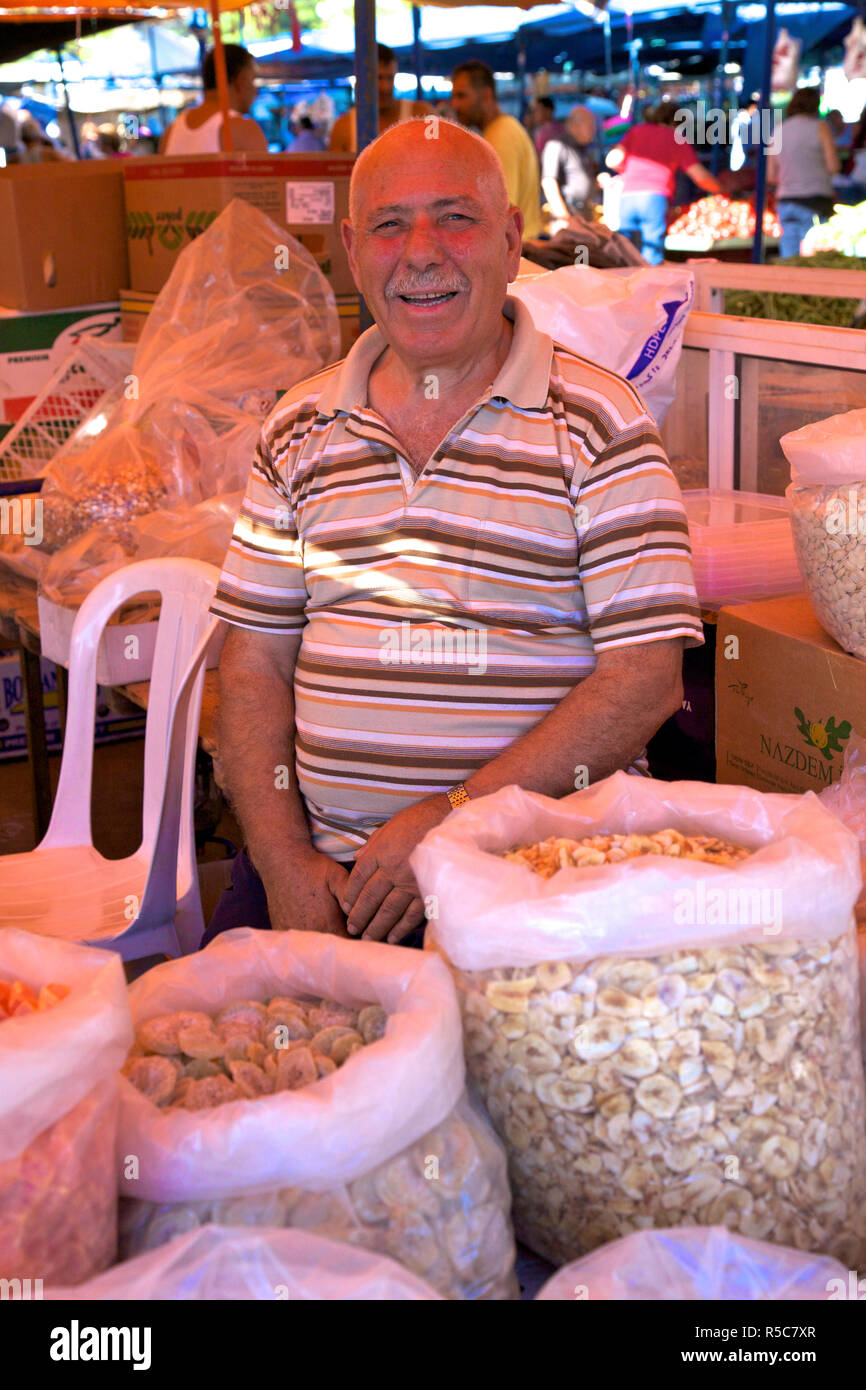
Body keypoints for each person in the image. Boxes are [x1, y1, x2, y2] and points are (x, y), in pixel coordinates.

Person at [203, 116, 703, 948]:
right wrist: (286, 863)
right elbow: (252, 661)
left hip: (539, 883)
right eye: (391, 225)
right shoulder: (296, 428)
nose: (422, 251)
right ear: (354, 250)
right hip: (326, 879)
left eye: (455, 218)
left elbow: (646, 678)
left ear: (511, 242)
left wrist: (454, 819)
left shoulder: (599, 425)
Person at [449, 60, 580, 268]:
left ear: (486, 95)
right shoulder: (503, 129)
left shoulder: (501, 135)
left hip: (517, 258)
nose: (454, 105)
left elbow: (499, 211)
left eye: (461, 96)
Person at [606, 100, 721, 265]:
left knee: (624, 249)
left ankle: (623, 286)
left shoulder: (636, 131)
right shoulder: (675, 138)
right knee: (651, 252)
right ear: (675, 122)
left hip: (627, 197)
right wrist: (719, 187)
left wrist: (628, 169)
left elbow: (612, 160)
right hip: (654, 198)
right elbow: (700, 176)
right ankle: (647, 288)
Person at [768, 87, 839, 258]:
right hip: (815, 201)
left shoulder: (778, 131)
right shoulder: (820, 128)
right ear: (816, 105)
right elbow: (833, 167)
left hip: (786, 202)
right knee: (816, 259)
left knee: (790, 260)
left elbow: (770, 176)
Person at [160, 43, 267, 155]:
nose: (256, 90)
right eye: (253, 80)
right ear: (240, 81)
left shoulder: (171, 132)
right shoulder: (244, 130)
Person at [329, 43, 430, 153]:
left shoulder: (421, 115)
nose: (385, 87)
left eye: (390, 78)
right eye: (378, 78)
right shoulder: (344, 127)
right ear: (360, 79)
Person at [541, 104, 598, 228]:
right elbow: (548, 183)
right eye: (590, 125)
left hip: (582, 215)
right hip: (568, 218)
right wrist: (564, 218)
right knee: (576, 248)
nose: (594, 129)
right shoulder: (556, 145)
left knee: (583, 247)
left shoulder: (580, 148)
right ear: (575, 125)